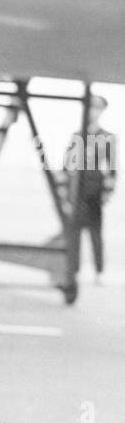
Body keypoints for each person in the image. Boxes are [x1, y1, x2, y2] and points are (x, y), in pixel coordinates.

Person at [59, 93, 117, 286]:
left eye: (97, 108)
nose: (93, 112)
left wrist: (107, 192)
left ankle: (99, 271)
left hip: (94, 191)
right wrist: (64, 191)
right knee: (74, 233)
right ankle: (73, 270)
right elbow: (67, 165)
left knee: (95, 233)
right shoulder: (77, 136)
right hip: (77, 190)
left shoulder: (107, 137)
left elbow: (112, 167)